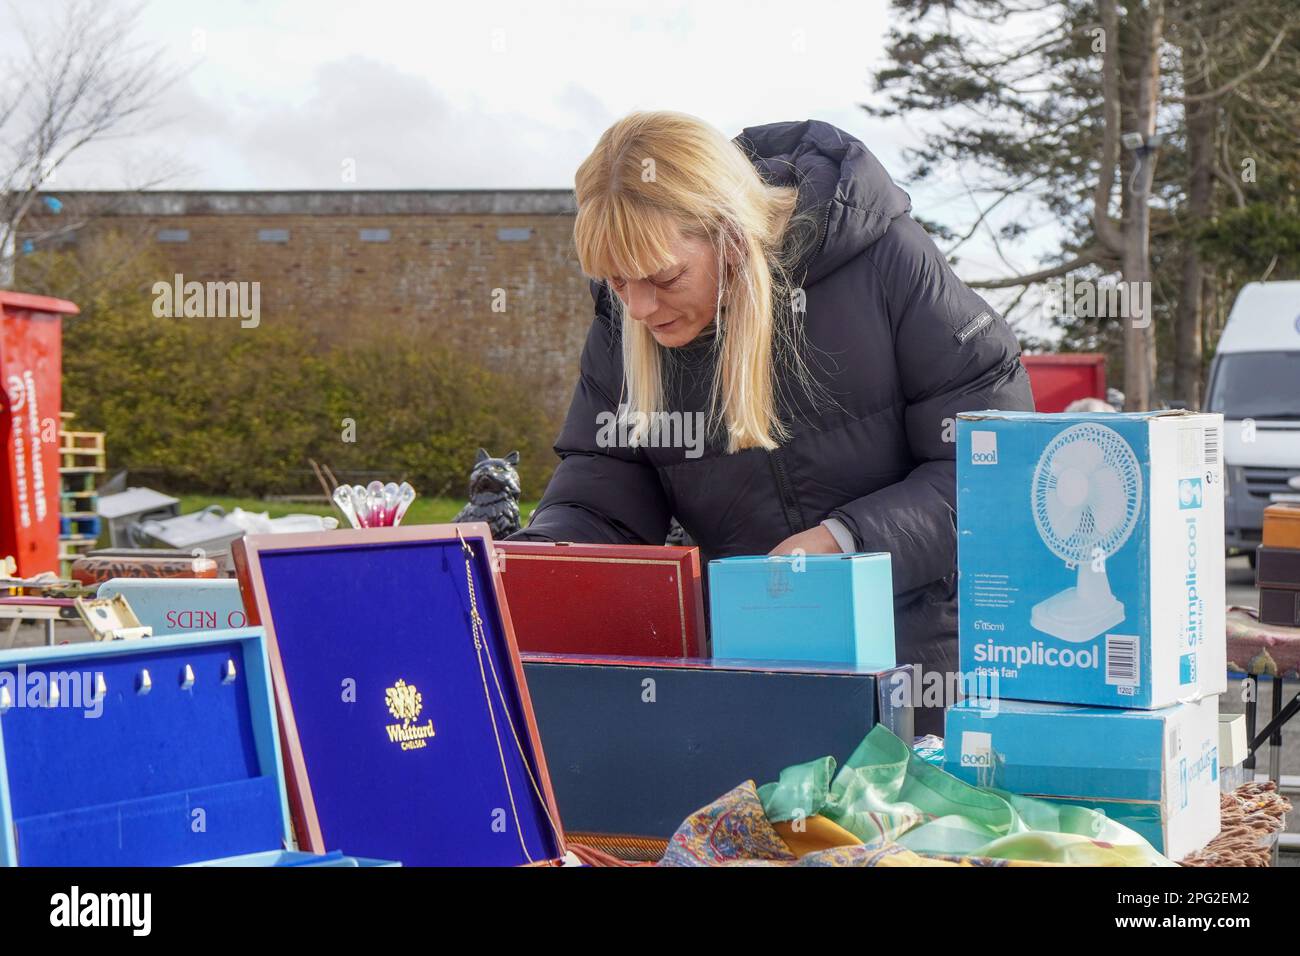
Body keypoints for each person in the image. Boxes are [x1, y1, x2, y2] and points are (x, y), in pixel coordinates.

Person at [509, 112, 1035, 733]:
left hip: (923, 675)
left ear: (730, 236)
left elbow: (992, 461)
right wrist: (542, 560)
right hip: (746, 675)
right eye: (619, 283)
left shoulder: (884, 259)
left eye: (664, 278)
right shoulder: (627, 319)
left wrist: (847, 540)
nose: (641, 308)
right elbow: (607, 481)